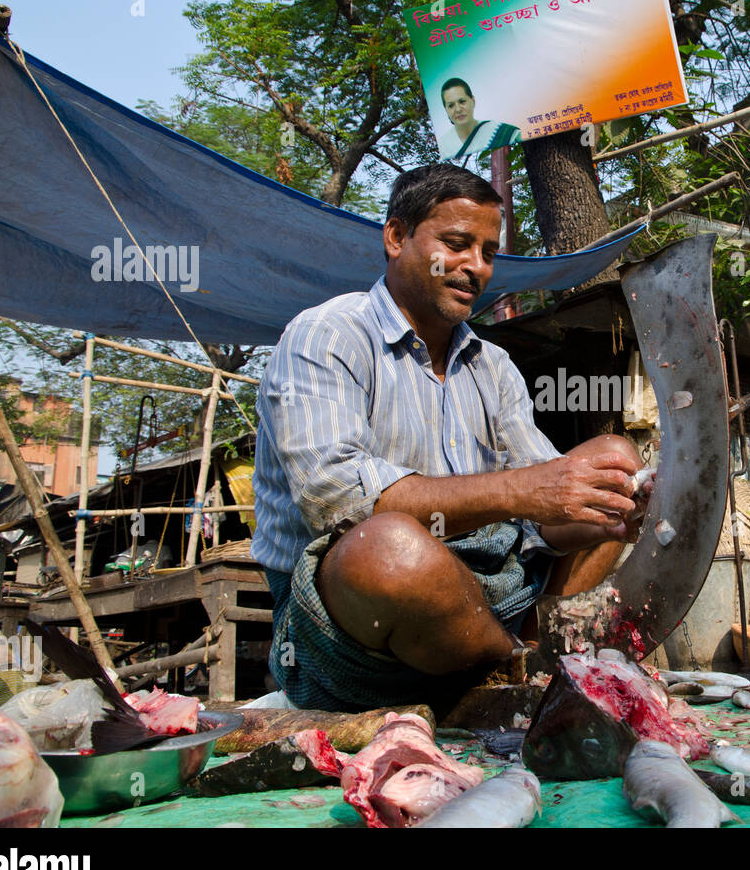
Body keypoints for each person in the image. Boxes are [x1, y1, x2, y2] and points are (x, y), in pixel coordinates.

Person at [252, 162, 645, 712]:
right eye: (457, 244)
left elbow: (549, 496)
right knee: (389, 549)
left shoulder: (493, 364)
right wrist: (521, 492)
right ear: (396, 237)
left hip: (492, 593)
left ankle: (521, 655)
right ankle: (508, 669)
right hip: (353, 626)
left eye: (487, 252)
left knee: (612, 470)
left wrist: (625, 499)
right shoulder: (328, 335)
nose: (475, 267)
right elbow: (337, 499)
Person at [436, 78, 522, 159]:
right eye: (451, 105)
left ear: (473, 101)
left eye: (462, 101)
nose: (458, 109)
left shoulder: (503, 131)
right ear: (446, 110)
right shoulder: (443, 145)